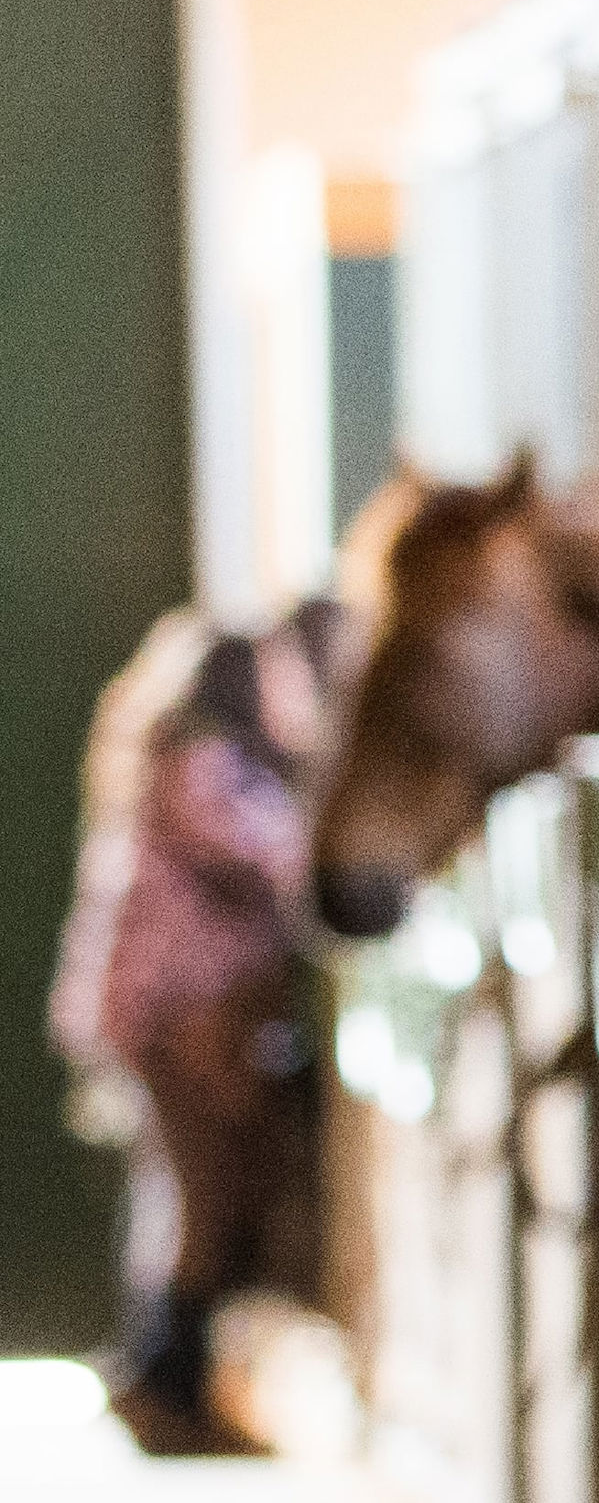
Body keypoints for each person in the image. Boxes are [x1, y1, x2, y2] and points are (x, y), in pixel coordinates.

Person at [48, 599, 346, 1454]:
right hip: (180, 1013)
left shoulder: (166, 758)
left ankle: (165, 1378)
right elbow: (279, 858)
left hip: (160, 1010)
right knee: (201, 1204)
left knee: (181, 1199)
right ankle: (169, 1389)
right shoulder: (201, 764)